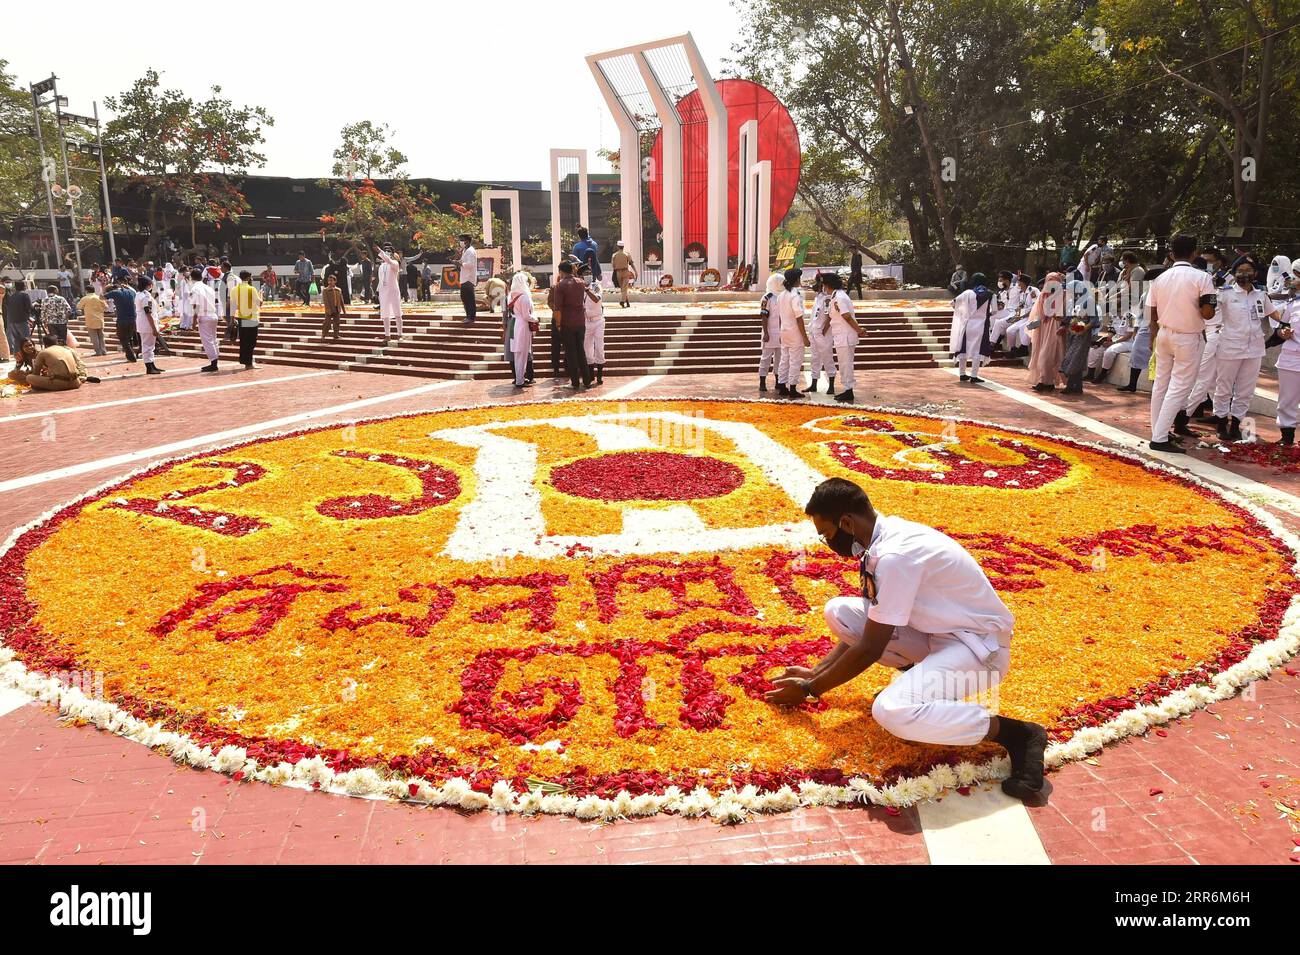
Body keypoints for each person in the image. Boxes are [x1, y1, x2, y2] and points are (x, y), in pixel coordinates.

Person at [765, 477, 1048, 801]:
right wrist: (814, 672)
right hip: (937, 633)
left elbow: (871, 647)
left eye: (827, 533)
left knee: (891, 710)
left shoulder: (896, 555)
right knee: (839, 611)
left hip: (979, 650)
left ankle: (1018, 734)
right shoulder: (880, 538)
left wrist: (809, 690)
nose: (828, 542)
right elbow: (872, 623)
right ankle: (925, 686)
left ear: (846, 523)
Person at [1147, 234, 1217, 453]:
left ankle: (1158, 430)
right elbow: (1207, 313)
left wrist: (1154, 337)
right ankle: (1159, 437)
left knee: (1161, 384)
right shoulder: (1202, 277)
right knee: (1178, 387)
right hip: (1187, 337)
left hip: (1164, 334)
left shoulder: (1160, 278)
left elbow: (1152, 311)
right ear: (1194, 253)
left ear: (1171, 253)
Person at [1210, 258, 1280, 442]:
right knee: (1224, 387)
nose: (1244, 274)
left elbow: (1276, 315)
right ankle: (1221, 423)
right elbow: (1208, 311)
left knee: (1246, 390)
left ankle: (1236, 424)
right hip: (1230, 346)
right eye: (1240, 271)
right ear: (1233, 274)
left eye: (1248, 270)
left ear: (1255, 273)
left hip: (1254, 348)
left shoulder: (1261, 295)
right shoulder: (1224, 294)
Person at [1269, 265, 1300, 445]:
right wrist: (1284, 333)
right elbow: (1281, 328)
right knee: (1287, 399)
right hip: (1292, 358)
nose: (1292, 281)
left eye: (1296, 276)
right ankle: (1287, 436)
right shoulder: (1293, 304)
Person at [949, 272, 994, 384]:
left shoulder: (968, 293)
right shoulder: (991, 294)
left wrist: (963, 312)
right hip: (982, 326)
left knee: (963, 348)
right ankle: (974, 375)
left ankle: (962, 374)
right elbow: (995, 310)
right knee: (977, 351)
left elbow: (953, 303)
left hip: (968, 324)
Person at [552, 261, 592, 389]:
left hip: (567, 322)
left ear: (561, 271)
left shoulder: (560, 285)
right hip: (580, 321)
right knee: (581, 350)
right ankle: (587, 380)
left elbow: (557, 308)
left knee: (571, 353)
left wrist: (558, 325)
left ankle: (575, 382)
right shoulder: (580, 282)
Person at [823, 272, 861, 403]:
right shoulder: (836, 296)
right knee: (844, 364)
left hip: (845, 336)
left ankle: (849, 390)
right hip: (841, 335)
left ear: (828, 285)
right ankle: (847, 389)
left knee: (846, 364)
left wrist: (859, 330)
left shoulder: (839, 297)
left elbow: (847, 316)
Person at [1027, 273, 1067, 392]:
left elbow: (1066, 312)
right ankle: (1045, 381)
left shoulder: (1064, 295)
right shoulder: (1043, 296)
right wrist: (1033, 326)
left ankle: (1047, 380)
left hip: (1056, 326)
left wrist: (1063, 324)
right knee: (1041, 354)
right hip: (1043, 328)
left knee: (1049, 356)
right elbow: (1039, 314)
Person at [1059, 278, 1099, 394]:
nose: (1068, 292)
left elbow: (1094, 320)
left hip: (1083, 336)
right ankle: (1076, 387)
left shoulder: (1089, 301)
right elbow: (1070, 317)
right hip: (1072, 334)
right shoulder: (1074, 301)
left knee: (1074, 359)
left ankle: (1072, 386)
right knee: (1076, 359)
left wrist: (1083, 328)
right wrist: (1062, 322)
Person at [776, 267, 810, 398]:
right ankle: (793, 387)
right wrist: (805, 337)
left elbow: (780, 316)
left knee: (784, 359)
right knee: (795, 360)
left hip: (784, 331)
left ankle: (782, 385)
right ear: (797, 279)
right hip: (795, 332)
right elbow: (799, 319)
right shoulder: (795, 295)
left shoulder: (782, 295)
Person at [807, 276, 837, 394]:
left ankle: (832, 385)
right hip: (814, 331)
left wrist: (824, 330)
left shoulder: (828, 298)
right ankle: (814, 383)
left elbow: (829, 315)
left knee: (827, 357)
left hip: (823, 333)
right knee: (815, 358)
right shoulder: (819, 297)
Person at [506, 271, 537, 388]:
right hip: (522, 326)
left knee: (517, 354)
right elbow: (526, 316)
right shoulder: (524, 297)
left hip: (514, 325)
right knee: (522, 354)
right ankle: (520, 380)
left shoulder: (511, 295)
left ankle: (520, 378)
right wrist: (536, 319)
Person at [190, 267, 220, 373]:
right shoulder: (208, 287)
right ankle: (215, 360)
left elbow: (196, 306)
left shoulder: (195, 289)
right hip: (213, 314)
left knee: (207, 340)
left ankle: (213, 362)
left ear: (191, 277)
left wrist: (194, 321)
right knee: (213, 339)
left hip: (205, 316)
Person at [758, 272, 784, 393]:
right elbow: (764, 316)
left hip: (781, 333)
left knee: (780, 359)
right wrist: (766, 333)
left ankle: (778, 382)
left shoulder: (783, 296)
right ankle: (762, 381)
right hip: (770, 332)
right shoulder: (767, 297)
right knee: (766, 359)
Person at [231, 269, 263, 370]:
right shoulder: (251, 289)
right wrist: (261, 294)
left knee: (244, 340)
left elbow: (232, 306)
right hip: (251, 318)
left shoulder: (235, 289)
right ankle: (249, 363)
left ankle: (245, 361)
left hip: (241, 317)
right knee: (251, 341)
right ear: (248, 278)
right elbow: (260, 303)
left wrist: (232, 319)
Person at [580, 266, 606, 385]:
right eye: (586, 273)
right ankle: (591, 375)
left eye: (590, 273)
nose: (588, 275)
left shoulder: (596, 286)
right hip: (586, 321)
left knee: (599, 347)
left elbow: (596, 299)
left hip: (598, 321)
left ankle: (600, 375)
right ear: (581, 276)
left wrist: (586, 290)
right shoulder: (579, 288)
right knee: (587, 349)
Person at [375, 243, 404, 343]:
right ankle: (387, 335)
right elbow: (380, 279)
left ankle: (399, 334)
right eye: (385, 251)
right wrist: (377, 291)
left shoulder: (394, 263)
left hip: (393, 291)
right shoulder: (381, 266)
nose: (386, 253)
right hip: (384, 292)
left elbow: (388, 260)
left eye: (388, 251)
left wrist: (380, 252)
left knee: (397, 313)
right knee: (385, 314)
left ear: (392, 254)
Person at [135, 276, 164, 374]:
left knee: (150, 346)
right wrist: (154, 328)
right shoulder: (145, 296)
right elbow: (148, 313)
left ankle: (152, 365)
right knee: (148, 346)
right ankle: (149, 367)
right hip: (148, 324)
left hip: (144, 323)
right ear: (148, 285)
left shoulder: (139, 294)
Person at [104, 280, 138, 362]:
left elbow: (102, 297)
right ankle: (130, 355)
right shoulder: (131, 292)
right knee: (130, 338)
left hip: (122, 319)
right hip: (132, 318)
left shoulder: (115, 292)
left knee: (122, 338)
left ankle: (131, 356)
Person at [3, 280, 33, 355]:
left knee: (17, 340)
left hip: (12, 321)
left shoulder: (11, 296)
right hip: (22, 320)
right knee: (26, 339)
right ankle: (28, 356)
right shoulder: (24, 295)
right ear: (24, 286)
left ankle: (18, 356)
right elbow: (29, 308)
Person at [77, 286, 108, 356]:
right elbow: (106, 307)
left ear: (86, 291)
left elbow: (79, 307)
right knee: (101, 336)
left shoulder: (85, 298)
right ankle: (103, 350)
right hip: (100, 319)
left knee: (94, 337)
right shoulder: (99, 297)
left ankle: (98, 351)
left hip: (90, 319)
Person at [458, 234, 478, 326]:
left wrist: (461, 264)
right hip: (464, 278)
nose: (461, 242)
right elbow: (463, 262)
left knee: (469, 298)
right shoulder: (465, 250)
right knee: (464, 297)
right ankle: (468, 316)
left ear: (468, 241)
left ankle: (471, 317)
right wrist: (457, 264)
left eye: (462, 240)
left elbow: (470, 264)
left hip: (469, 278)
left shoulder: (471, 251)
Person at [321, 273, 346, 342]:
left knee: (337, 323)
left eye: (331, 280)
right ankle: (323, 335)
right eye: (329, 281)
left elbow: (341, 300)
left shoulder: (338, 290)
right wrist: (328, 310)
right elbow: (326, 301)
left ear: (335, 281)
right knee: (327, 323)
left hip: (337, 309)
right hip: (329, 309)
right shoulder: (325, 290)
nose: (330, 282)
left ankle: (336, 335)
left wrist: (344, 310)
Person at [611, 240, 635, 308]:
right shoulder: (627, 254)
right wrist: (635, 271)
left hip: (618, 272)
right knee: (624, 288)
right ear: (623, 247)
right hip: (625, 271)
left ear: (618, 247)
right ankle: (623, 301)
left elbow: (613, 265)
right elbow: (631, 263)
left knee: (622, 288)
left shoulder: (614, 255)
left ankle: (626, 302)